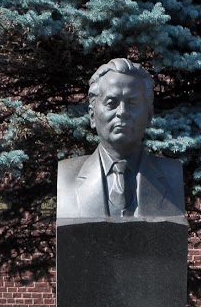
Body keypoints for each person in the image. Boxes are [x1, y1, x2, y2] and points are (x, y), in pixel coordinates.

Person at [57, 58, 185, 219]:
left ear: (149, 115)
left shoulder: (171, 175)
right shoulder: (67, 178)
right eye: (111, 103)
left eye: (132, 103)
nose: (122, 112)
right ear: (92, 115)